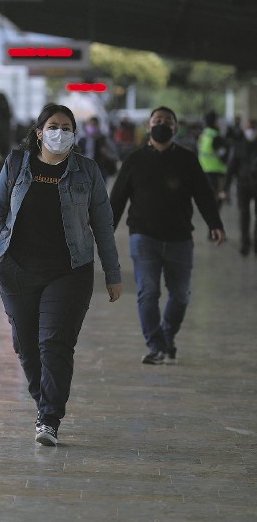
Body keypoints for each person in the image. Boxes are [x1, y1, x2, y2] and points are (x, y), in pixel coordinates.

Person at [0, 103, 122, 447]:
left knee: (54, 344)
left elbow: (103, 225)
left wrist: (112, 272)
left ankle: (49, 418)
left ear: (74, 134)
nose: (59, 133)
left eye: (66, 127)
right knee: (26, 346)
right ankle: (44, 402)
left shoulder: (87, 172)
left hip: (69, 271)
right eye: (53, 126)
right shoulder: (17, 163)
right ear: (39, 132)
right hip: (17, 269)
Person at [109, 106, 225, 365]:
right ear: (149, 126)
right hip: (143, 237)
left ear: (175, 128)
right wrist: (106, 230)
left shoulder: (187, 159)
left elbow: (204, 195)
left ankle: (166, 337)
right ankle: (156, 345)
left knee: (181, 295)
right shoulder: (134, 160)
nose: (162, 124)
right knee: (148, 292)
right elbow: (117, 198)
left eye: (168, 121)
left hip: (180, 238)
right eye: (157, 120)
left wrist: (215, 223)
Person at [222, 118, 257, 255]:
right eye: (249, 128)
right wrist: (225, 188)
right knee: (244, 214)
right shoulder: (238, 146)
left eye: (253, 128)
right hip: (243, 185)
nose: (251, 131)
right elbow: (231, 168)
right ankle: (245, 242)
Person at [197, 110, 228, 209]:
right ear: (215, 121)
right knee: (218, 195)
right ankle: (214, 217)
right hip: (217, 170)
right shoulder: (216, 136)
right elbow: (223, 154)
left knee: (209, 194)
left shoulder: (203, 134)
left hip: (204, 168)